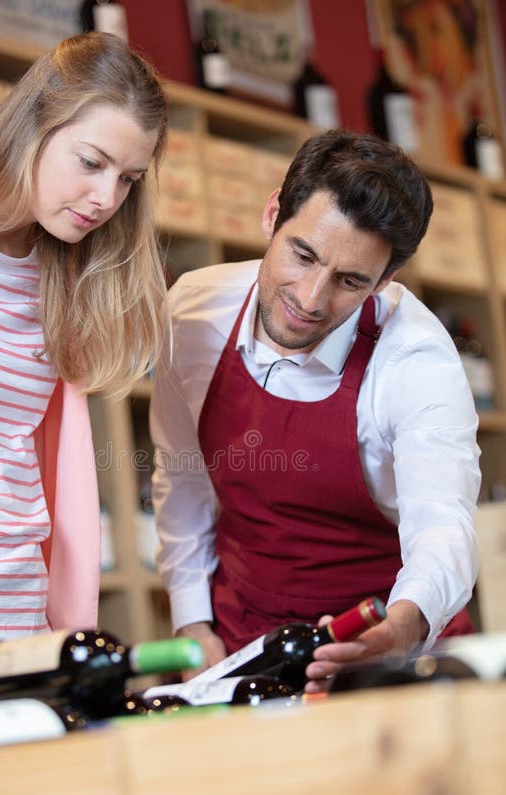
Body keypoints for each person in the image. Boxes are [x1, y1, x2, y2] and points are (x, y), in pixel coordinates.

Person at [150, 129, 481, 691]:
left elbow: (443, 528)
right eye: (301, 255)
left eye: (350, 281)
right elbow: (181, 478)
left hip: (380, 649)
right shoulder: (192, 312)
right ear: (273, 216)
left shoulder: (416, 356)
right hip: (243, 641)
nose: (309, 298)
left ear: (386, 281)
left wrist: (399, 631)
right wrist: (192, 619)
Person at [0, 32, 168, 708]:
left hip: (19, 626)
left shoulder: (67, 275)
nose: (106, 197)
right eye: (91, 161)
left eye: (128, 179)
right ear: (35, 125)